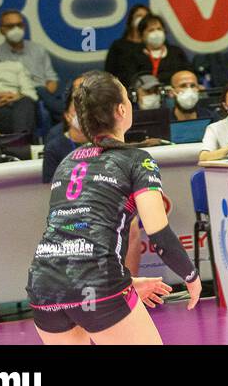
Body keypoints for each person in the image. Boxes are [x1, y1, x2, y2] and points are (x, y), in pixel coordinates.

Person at [26, 71, 201, 344]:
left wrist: (127, 281)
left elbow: (71, 234)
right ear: (121, 109)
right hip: (97, 282)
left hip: (44, 284)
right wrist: (190, 275)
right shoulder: (137, 160)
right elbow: (158, 233)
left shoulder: (68, 162)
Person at [43, 74, 89, 183]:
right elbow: (48, 187)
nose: (82, 113)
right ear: (67, 115)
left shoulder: (103, 142)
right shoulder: (54, 146)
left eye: (87, 108)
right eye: (77, 109)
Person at [123, 14, 191, 86]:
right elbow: (130, 81)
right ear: (142, 35)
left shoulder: (176, 52)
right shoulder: (133, 56)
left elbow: (188, 75)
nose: (156, 33)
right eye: (151, 30)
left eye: (159, 29)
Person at [105, 4, 151, 85]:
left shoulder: (153, 45)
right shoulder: (118, 46)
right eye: (139, 15)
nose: (143, 19)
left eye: (146, 16)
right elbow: (109, 74)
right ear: (131, 19)